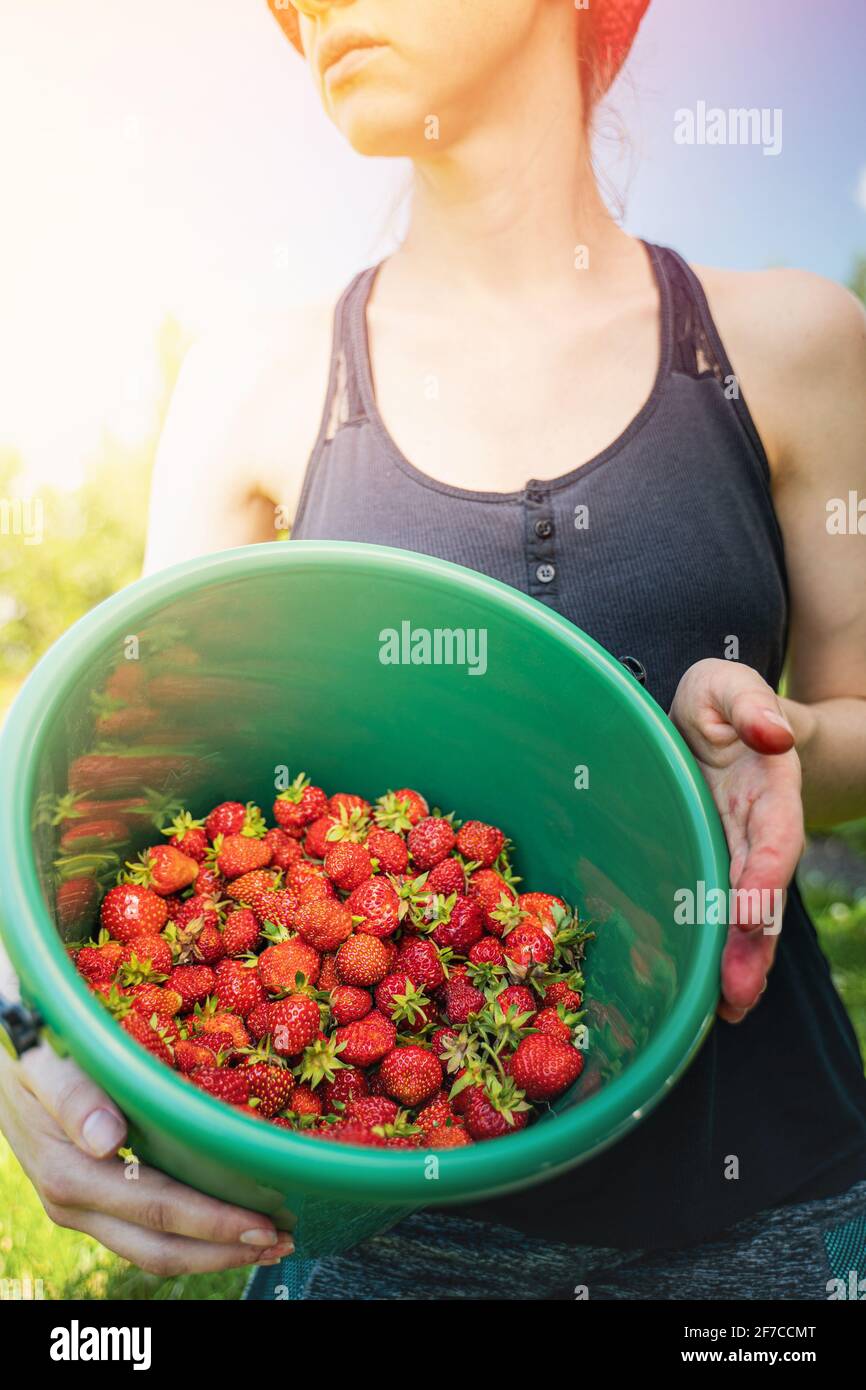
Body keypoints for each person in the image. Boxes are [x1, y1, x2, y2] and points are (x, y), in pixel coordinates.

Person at [1, 0, 865, 1298]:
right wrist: (41, 1050)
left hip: (770, 1222)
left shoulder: (792, 343)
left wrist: (777, 740)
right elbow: (119, 824)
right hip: (358, 1228)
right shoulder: (250, 381)